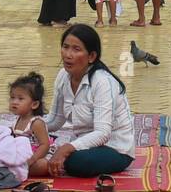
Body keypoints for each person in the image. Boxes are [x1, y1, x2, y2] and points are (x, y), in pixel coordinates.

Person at [42, 24, 135, 178]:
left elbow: (103, 133)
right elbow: (55, 120)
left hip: (114, 148)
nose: (68, 55)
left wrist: (66, 148)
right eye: (65, 47)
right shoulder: (62, 76)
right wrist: (29, 127)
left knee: (78, 162)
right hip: (83, 144)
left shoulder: (102, 81)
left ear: (91, 56)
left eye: (76, 49)